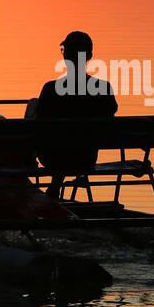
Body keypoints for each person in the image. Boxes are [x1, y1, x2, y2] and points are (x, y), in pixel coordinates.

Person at [29, 31, 117, 197]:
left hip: (52, 157)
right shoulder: (103, 88)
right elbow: (110, 122)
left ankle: (47, 179)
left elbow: (38, 125)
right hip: (85, 157)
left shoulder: (51, 89)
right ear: (90, 55)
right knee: (69, 138)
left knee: (34, 110)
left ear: (65, 56)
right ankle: (56, 185)